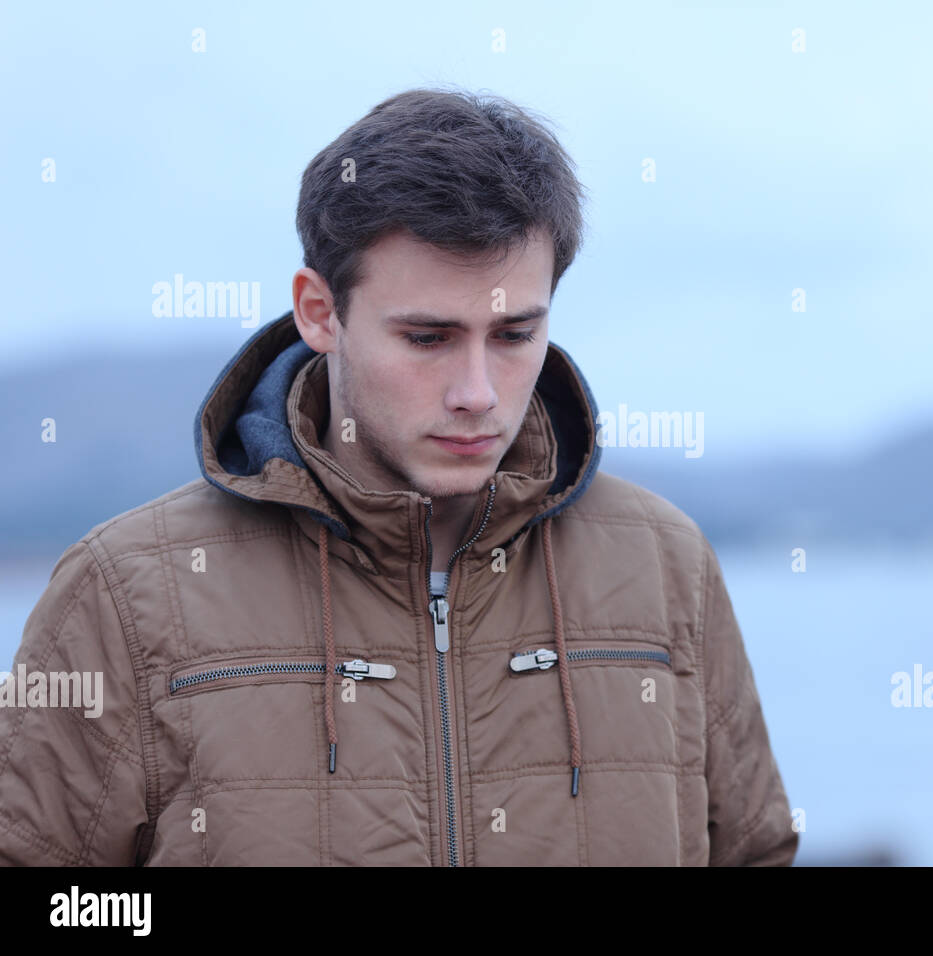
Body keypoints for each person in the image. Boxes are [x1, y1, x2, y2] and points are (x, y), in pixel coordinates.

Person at [0, 87, 797, 866]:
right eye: (427, 338)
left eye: (516, 333)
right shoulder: (125, 594)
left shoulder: (666, 566)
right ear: (319, 311)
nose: (478, 393)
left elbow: (756, 850)